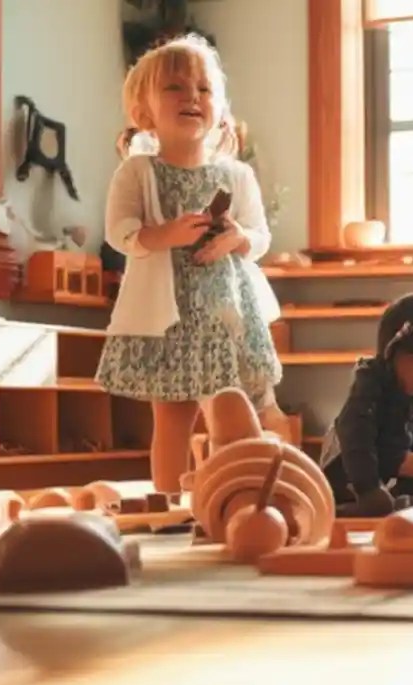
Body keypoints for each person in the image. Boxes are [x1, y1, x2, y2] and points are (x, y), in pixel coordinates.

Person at [96, 35, 283, 493]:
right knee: (173, 420)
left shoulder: (237, 176)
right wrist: (166, 235)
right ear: (144, 112)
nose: (192, 98)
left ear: (219, 108)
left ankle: (238, 496)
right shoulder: (137, 172)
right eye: (175, 88)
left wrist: (238, 239)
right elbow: (119, 231)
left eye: (203, 89)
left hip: (227, 319)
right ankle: (168, 504)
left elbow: (259, 236)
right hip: (171, 322)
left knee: (235, 413)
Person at [319, 293, 413, 517]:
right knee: (378, 505)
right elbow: (356, 439)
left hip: (389, 475)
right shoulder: (369, 387)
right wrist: (368, 489)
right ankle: (337, 511)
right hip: (352, 477)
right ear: (397, 353)